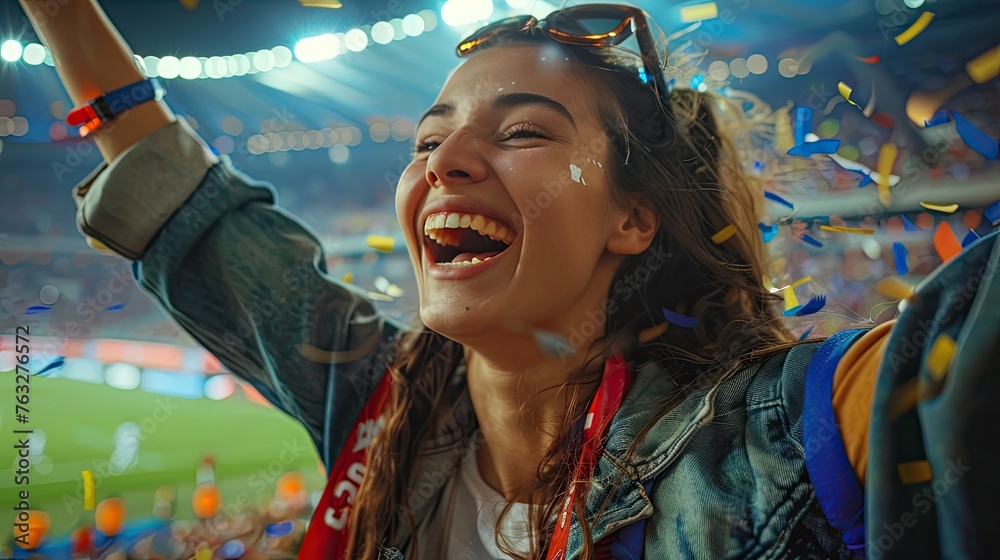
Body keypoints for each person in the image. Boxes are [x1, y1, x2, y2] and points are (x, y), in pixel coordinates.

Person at [19, 1, 1000, 559]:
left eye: (523, 130)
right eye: (428, 140)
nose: (444, 164)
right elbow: (194, 212)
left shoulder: (775, 436)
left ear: (633, 216)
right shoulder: (382, 403)